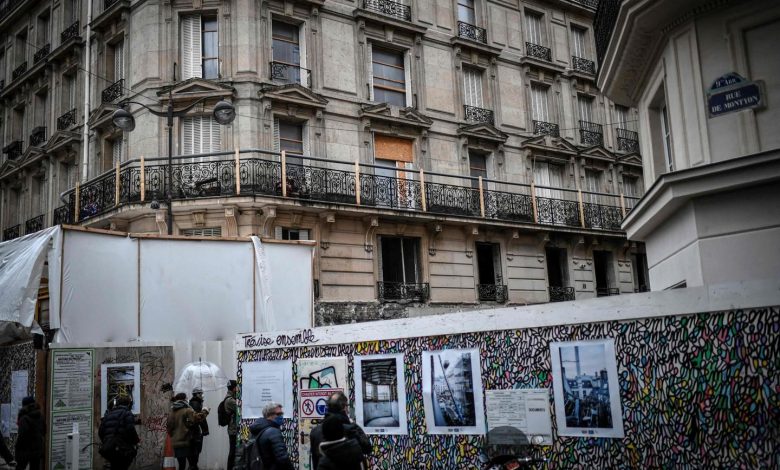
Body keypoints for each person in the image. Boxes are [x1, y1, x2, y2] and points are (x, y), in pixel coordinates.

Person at [309, 392, 370, 470]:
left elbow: (315, 461)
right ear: (344, 407)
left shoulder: (315, 432)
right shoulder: (350, 428)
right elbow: (367, 448)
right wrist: (354, 425)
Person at [167, 392, 208, 470]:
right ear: (184, 399)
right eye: (186, 398)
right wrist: (205, 411)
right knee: (192, 464)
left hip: (176, 443)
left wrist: (174, 436)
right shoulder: (187, 410)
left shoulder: (172, 412)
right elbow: (197, 419)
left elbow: (169, 428)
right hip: (186, 441)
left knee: (181, 465)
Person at [98, 395, 140, 470]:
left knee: (114, 466)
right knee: (123, 464)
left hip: (109, 448)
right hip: (121, 448)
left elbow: (100, 432)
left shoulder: (108, 414)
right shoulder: (127, 413)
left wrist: (107, 442)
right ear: (129, 404)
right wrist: (136, 441)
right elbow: (130, 429)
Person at [248, 402, 294, 470]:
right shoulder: (273, 432)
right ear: (269, 415)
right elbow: (283, 458)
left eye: (282, 414)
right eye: (278, 414)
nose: (281, 416)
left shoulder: (257, 429)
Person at [15, 396, 45, 470]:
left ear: (24, 406)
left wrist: (17, 448)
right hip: (37, 449)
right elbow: (44, 430)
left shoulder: (24, 418)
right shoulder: (40, 416)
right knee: (35, 467)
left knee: (20, 467)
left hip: (24, 450)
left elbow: (21, 435)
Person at [188, 387, 209, 470]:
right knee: (196, 450)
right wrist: (205, 430)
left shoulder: (194, 403)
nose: (202, 395)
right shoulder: (196, 404)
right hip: (195, 431)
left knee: (194, 450)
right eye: (200, 393)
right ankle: (193, 466)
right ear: (197, 394)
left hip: (193, 431)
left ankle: (193, 466)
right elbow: (200, 419)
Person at [224, 380, 239, 470]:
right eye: (237, 387)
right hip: (233, 429)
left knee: (234, 451)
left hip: (233, 428)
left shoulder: (231, 398)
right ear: (234, 388)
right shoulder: (230, 400)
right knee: (233, 451)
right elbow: (239, 408)